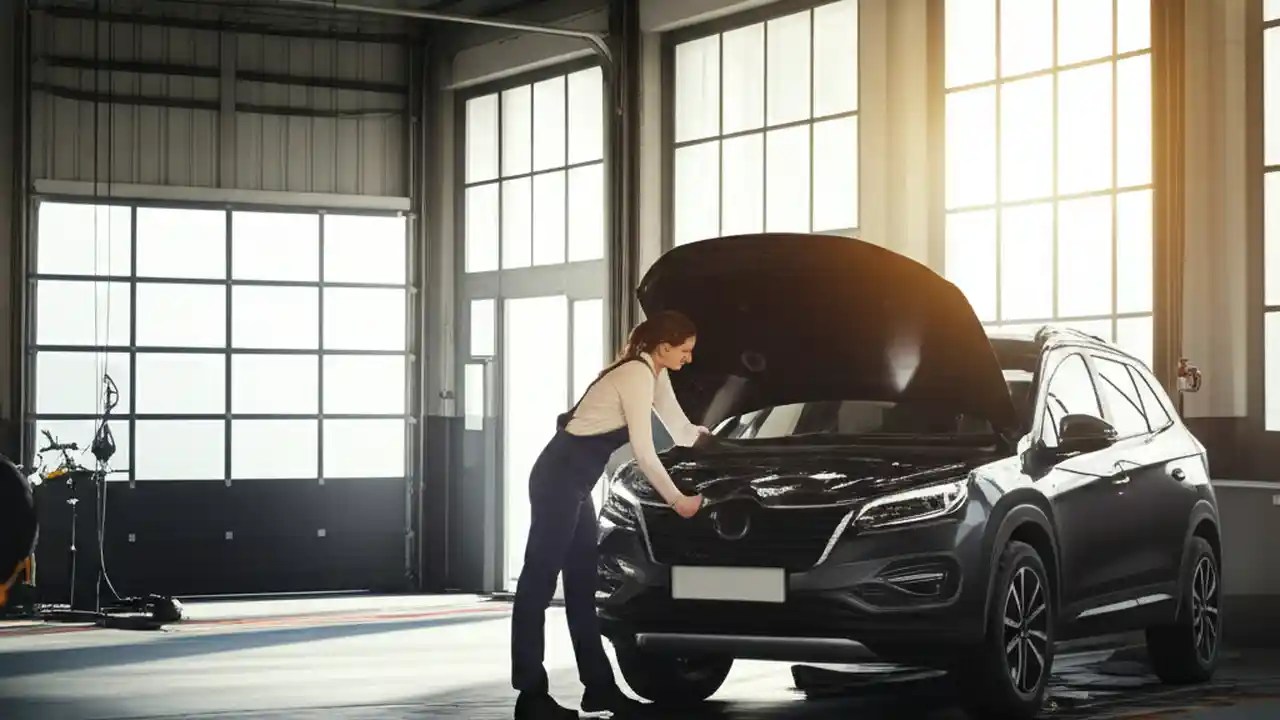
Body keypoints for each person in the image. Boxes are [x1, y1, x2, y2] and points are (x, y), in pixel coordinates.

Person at [510, 310, 709, 719]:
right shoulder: (636, 375)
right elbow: (645, 453)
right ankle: (530, 696)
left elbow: (681, 429)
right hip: (558, 478)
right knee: (538, 582)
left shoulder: (654, 373)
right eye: (685, 350)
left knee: (582, 584)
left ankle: (599, 688)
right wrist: (679, 501)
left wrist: (715, 442)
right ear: (664, 347)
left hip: (576, 482)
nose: (689, 358)